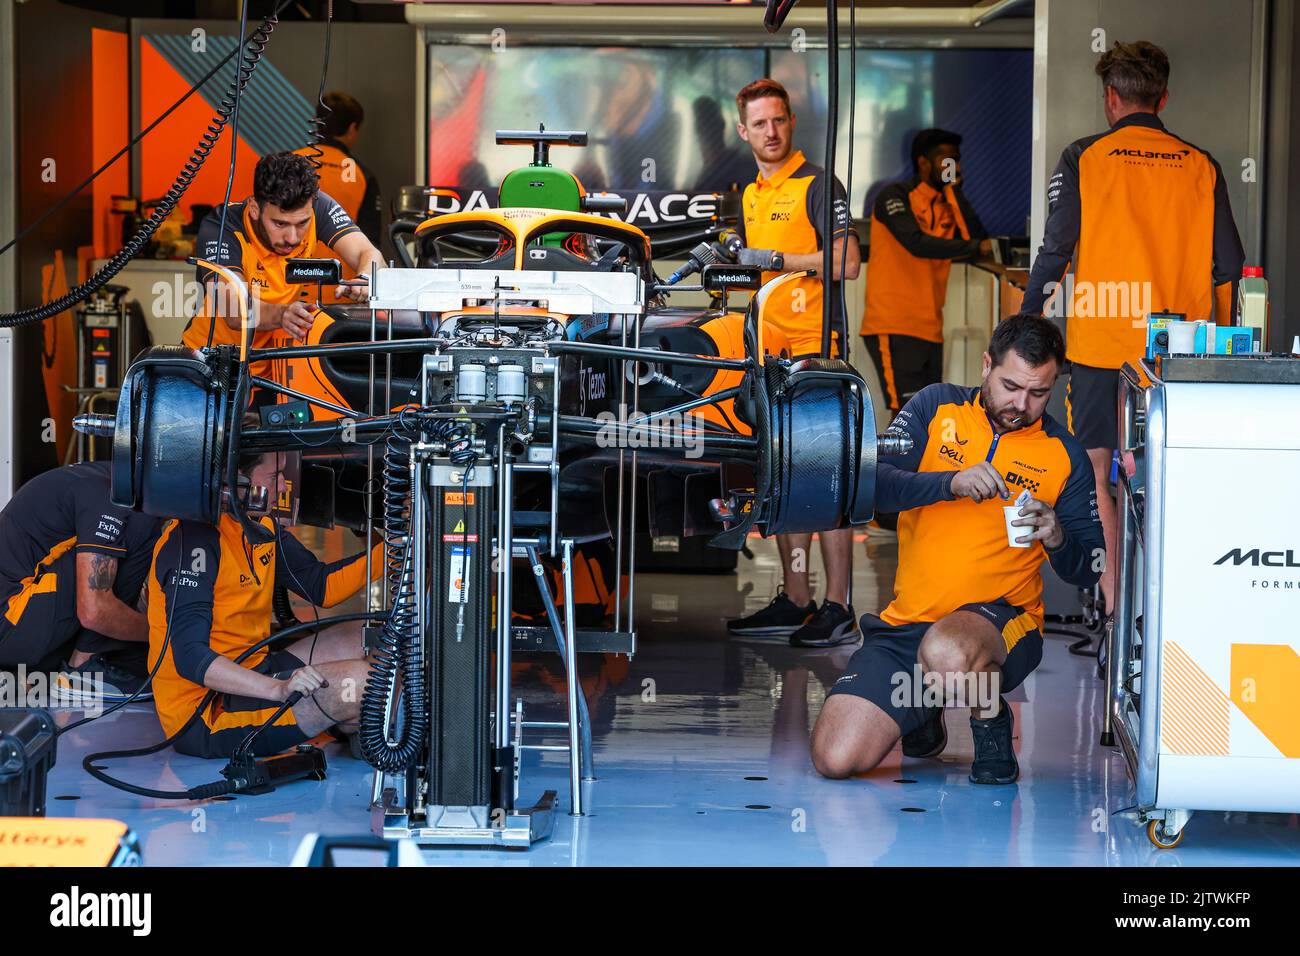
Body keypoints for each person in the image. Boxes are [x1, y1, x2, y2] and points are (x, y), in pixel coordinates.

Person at [811, 317, 1104, 785]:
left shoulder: (1063, 454)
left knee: (947, 649)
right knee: (836, 757)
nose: (1020, 405)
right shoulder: (936, 406)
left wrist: (1057, 536)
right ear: (986, 365)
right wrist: (949, 483)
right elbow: (872, 488)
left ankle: (991, 725)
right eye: (1010, 386)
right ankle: (924, 708)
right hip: (909, 621)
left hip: (1000, 623)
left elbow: (1091, 567)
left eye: (1039, 393)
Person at [1019, 41, 1244, 615]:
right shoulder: (1201, 164)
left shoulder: (1083, 157)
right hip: (1181, 354)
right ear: (1163, 97)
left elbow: (1056, 252)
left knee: (1098, 473)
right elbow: (1229, 266)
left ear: (1110, 98)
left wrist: (1025, 324)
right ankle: (1172, 613)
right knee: (1167, 471)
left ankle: (1115, 610)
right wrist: (1221, 344)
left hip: (1100, 351)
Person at [725, 78, 863, 649]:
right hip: (769, 354)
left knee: (826, 481)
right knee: (782, 479)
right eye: (760, 123)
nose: (771, 131)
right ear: (744, 131)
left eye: (778, 120)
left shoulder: (817, 182)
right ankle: (797, 599)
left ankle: (840, 608)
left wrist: (780, 258)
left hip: (818, 352)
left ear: (791, 121)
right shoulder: (751, 192)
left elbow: (848, 261)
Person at [146, 447, 382, 758]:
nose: (284, 486)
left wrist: (401, 549)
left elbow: (321, 587)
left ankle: (346, 717)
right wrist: (277, 689)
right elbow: (190, 658)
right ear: (236, 482)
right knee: (366, 683)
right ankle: (349, 716)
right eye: (274, 477)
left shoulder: (261, 526)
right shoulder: (193, 541)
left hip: (255, 670)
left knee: (372, 637)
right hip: (205, 712)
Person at [183, 151, 386, 382]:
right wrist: (283, 314)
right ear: (254, 208)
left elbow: (369, 253)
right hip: (209, 367)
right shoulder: (222, 226)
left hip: (272, 371)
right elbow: (234, 309)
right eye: (280, 223)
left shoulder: (319, 207)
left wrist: (366, 278)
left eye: (302, 223)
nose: (292, 237)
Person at [0, 462, 160, 701]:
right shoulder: (114, 496)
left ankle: (82, 665)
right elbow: (93, 612)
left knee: (136, 652)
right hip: (12, 619)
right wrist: (162, 632)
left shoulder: (99, 477)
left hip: (15, 624)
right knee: (143, 522)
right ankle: (84, 666)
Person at [860, 128, 991, 413]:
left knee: (929, 413)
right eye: (946, 161)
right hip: (894, 323)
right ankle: (894, 461)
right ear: (923, 163)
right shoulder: (894, 195)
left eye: (957, 161)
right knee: (905, 414)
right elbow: (915, 243)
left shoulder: (948, 203)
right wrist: (972, 247)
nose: (953, 167)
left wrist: (954, 190)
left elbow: (980, 241)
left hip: (931, 327)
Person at [294, 92, 382, 244]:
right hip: (341, 266)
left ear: (317, 121)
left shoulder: (288, 162)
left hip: (288, 266)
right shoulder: (362, 174)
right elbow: (370, 238)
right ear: (352, 127)